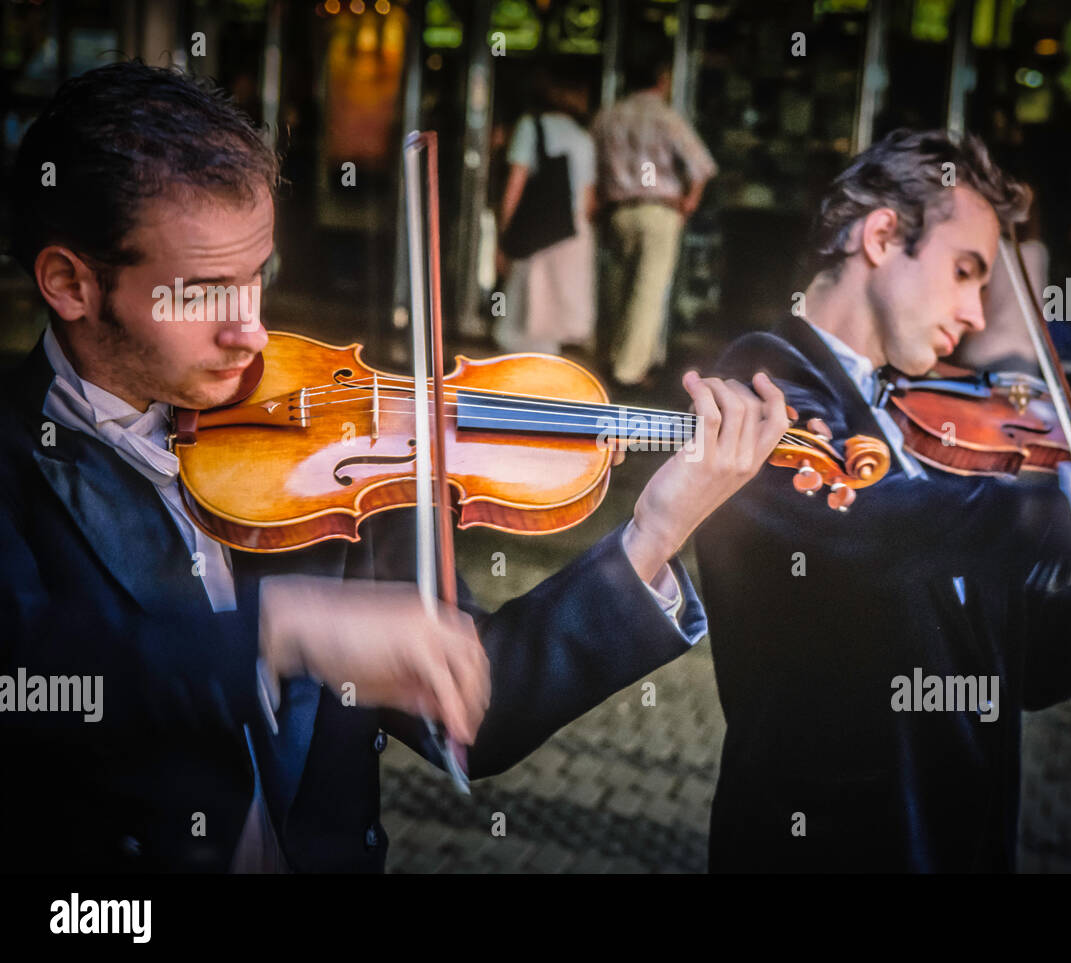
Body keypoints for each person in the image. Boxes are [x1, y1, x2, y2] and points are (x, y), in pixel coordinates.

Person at [0, 61, 788, 873]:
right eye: (202, 294)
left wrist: (655, 532)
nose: (255, 334)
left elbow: (484, 706)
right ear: (70, 283)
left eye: (255, 280)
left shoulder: (344, 459)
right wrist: (277, 632)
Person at [693, 129, 1071, 872]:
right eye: (966, 271)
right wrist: (1065, 507)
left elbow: (1030, 657)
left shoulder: (926, 422)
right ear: (882, 236)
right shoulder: (764, 383)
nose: (978, 315)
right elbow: (868, 531)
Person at [592, 58, 717, 387]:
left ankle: (613, 357)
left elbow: (592, 167)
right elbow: (702, 166)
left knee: (618, 287)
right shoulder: (665, 116)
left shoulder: (608, 116)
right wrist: (689, 202)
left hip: (619, 210)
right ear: (661, 79)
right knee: (648, 291)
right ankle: (628, 370)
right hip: (659, 210)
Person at [494, 66, 597, 355]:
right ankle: (544, 383)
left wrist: (505, 234)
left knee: (524, 318)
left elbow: (515, 184)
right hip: (573, 235)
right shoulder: (583, 137)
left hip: (537, 233)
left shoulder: (531, 126)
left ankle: (513, 386)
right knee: (553, 324)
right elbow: (588, 200)